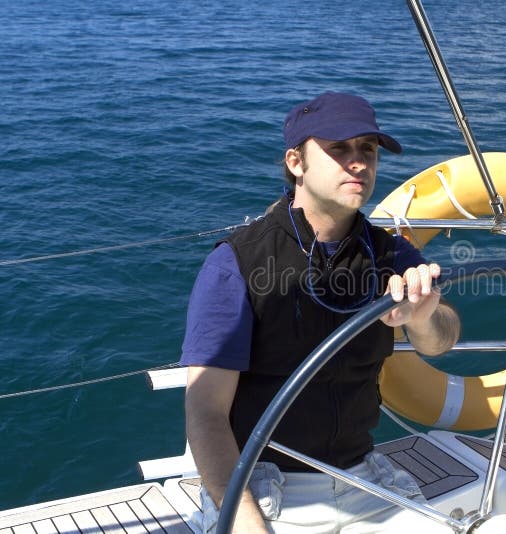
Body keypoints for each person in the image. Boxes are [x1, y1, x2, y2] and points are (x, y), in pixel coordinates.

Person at [180, 91, 461, 533]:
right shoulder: (238, 263)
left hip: (363, 473)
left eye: (368, 149)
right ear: (296, 162)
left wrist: (423, 317)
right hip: (261, 482)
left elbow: (443, 340)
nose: (359, 162)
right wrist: (245, 521)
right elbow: (206, 411)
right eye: (339, 149)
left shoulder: (389, 253)